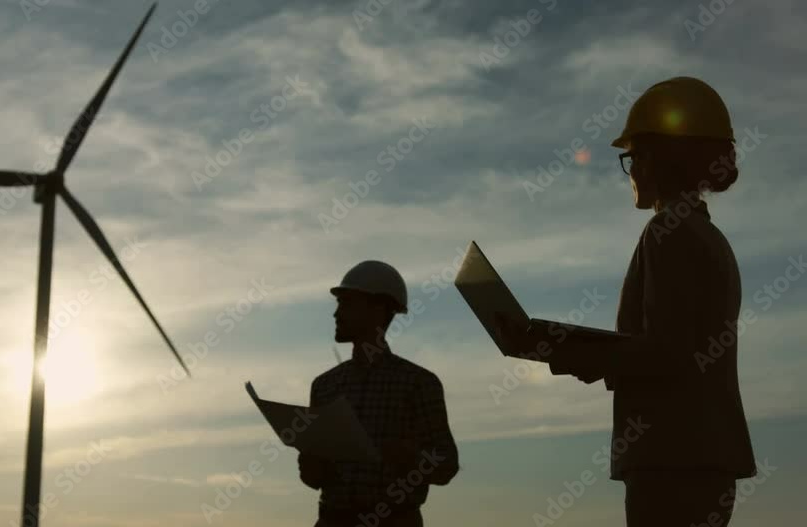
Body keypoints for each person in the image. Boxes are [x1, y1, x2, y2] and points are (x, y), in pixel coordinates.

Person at [497, 76, 757, 526]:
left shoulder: (666, 233)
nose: (631, 170)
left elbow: (665, 353)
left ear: (662, 157)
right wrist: (590, 355)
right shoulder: (708, 237)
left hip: (673, 458)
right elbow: (675, 349)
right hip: (703, 456)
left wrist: (567, 347)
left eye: (633, 156)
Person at [299, 260, 459, 527]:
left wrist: (406, 456)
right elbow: (312, 478)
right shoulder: (324, 386)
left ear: (378, 308)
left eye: (347, 304)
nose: (336, 314)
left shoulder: (418, 384)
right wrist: (311, 462)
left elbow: (446, 466)